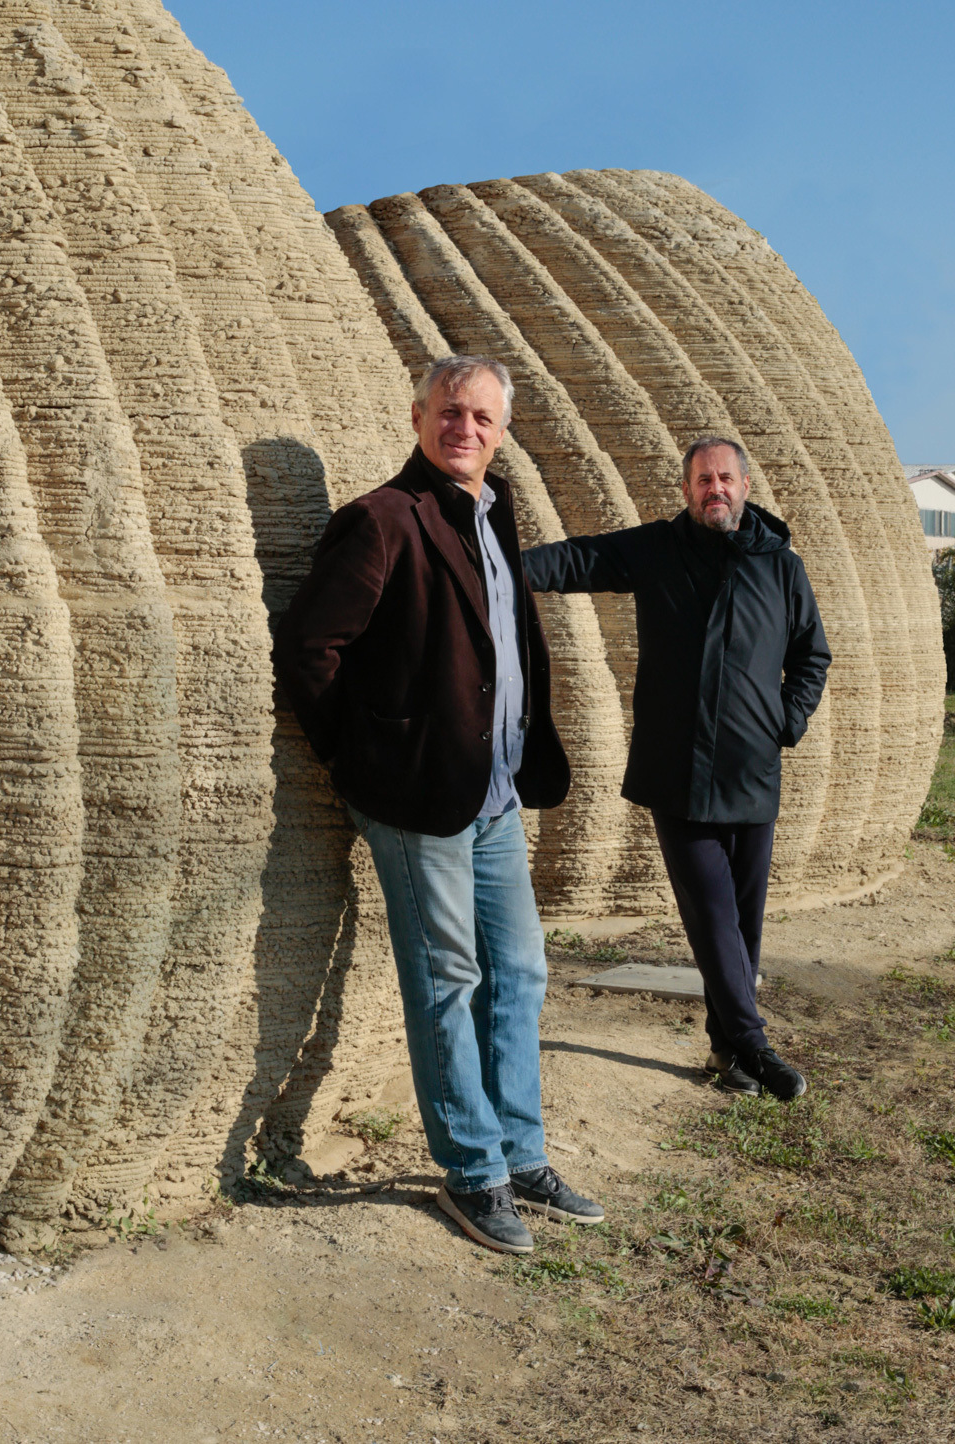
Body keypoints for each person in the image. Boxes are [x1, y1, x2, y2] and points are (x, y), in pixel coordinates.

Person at [274, 354, 604, 1253]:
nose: (465, 429)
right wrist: (361, 757)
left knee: (520, 975)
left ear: (501, 433)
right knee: (448, 981)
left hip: (492, 796)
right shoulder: (383, 519)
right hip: (417, 800)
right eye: (450, 413)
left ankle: (522, 1153)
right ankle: (472, 1172)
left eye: (482, 419)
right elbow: (311, 648)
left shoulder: (496, 519)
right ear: (419, 416)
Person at [523, 437, 831, 1100]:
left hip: (752, 771)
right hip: (677, 771)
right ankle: (755, 1044)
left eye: (723, 478)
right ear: (686, 488)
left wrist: (786, 721)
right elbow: (577, 559)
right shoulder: (657, 549)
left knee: (743, 924)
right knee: (712, 914)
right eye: (700, 480)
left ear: (745, 485)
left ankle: (728, 1052)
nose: (712, 489)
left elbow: (811, 656)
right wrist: (494, 568)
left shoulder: (781, 568)